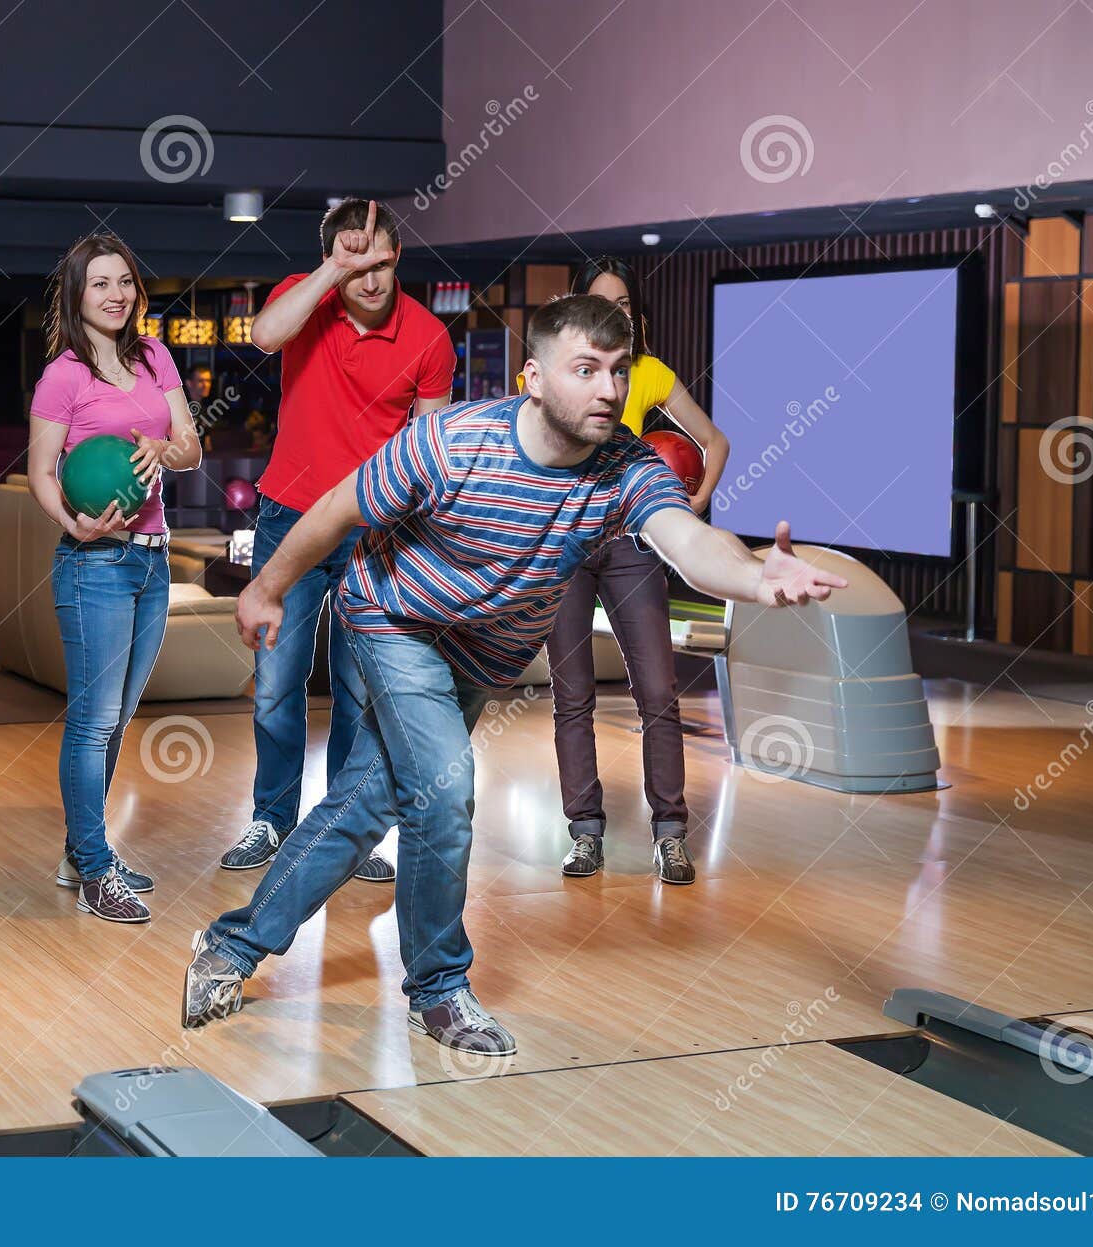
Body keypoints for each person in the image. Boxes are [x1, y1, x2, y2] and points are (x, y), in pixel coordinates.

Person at [183, 295, 846, 1053]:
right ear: (533, 376)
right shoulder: (451, 442)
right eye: (587, 369)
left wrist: (756, 577)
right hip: (396, 619)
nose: (609, 389)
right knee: (444, 787)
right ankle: (438, 989)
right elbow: (338, 508)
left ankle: (226, 949)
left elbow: (689, 541)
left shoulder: (623, 467)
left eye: (619, 371)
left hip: (482, 653)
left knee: (369, 804)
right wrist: (267, 587)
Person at [220, 198, 456, 882]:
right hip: (288, 519)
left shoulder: (429, 337)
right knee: (275, 684)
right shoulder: (303, 300)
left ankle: (346, 835)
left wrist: (424, 539)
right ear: (332, 261)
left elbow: (428, 446)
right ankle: (272, 818)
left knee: (359, 694)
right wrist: (332, 271)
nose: (373, 279)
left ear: (398, 256)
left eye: (382, 261)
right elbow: (265, 336)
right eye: (357, 264)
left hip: (373, 534)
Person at [27, 233, 201, 924]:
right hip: (93, 562)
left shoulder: (155, 355)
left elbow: (190, 446)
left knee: (118, 718)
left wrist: (166, 445)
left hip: (152, 557)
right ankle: (95, 869)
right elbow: (41, 473)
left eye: (125, 281)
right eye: (101, 283)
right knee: (94, 719)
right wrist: (73, 525)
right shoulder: (63, 375)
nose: (117, 294)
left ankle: (83, 849)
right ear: (77, 294)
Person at [547, 257, 729, 885]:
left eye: (623, 304)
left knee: (658, 692)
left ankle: (671, 833)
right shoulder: (561, 375)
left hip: (632, 543)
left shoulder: (648, 373)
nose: (614, 313)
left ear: (636, 315)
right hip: (568, 544)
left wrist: (692, 504)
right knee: (572, 697)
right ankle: (584, 832)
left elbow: (715, 441)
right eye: (600, 302)